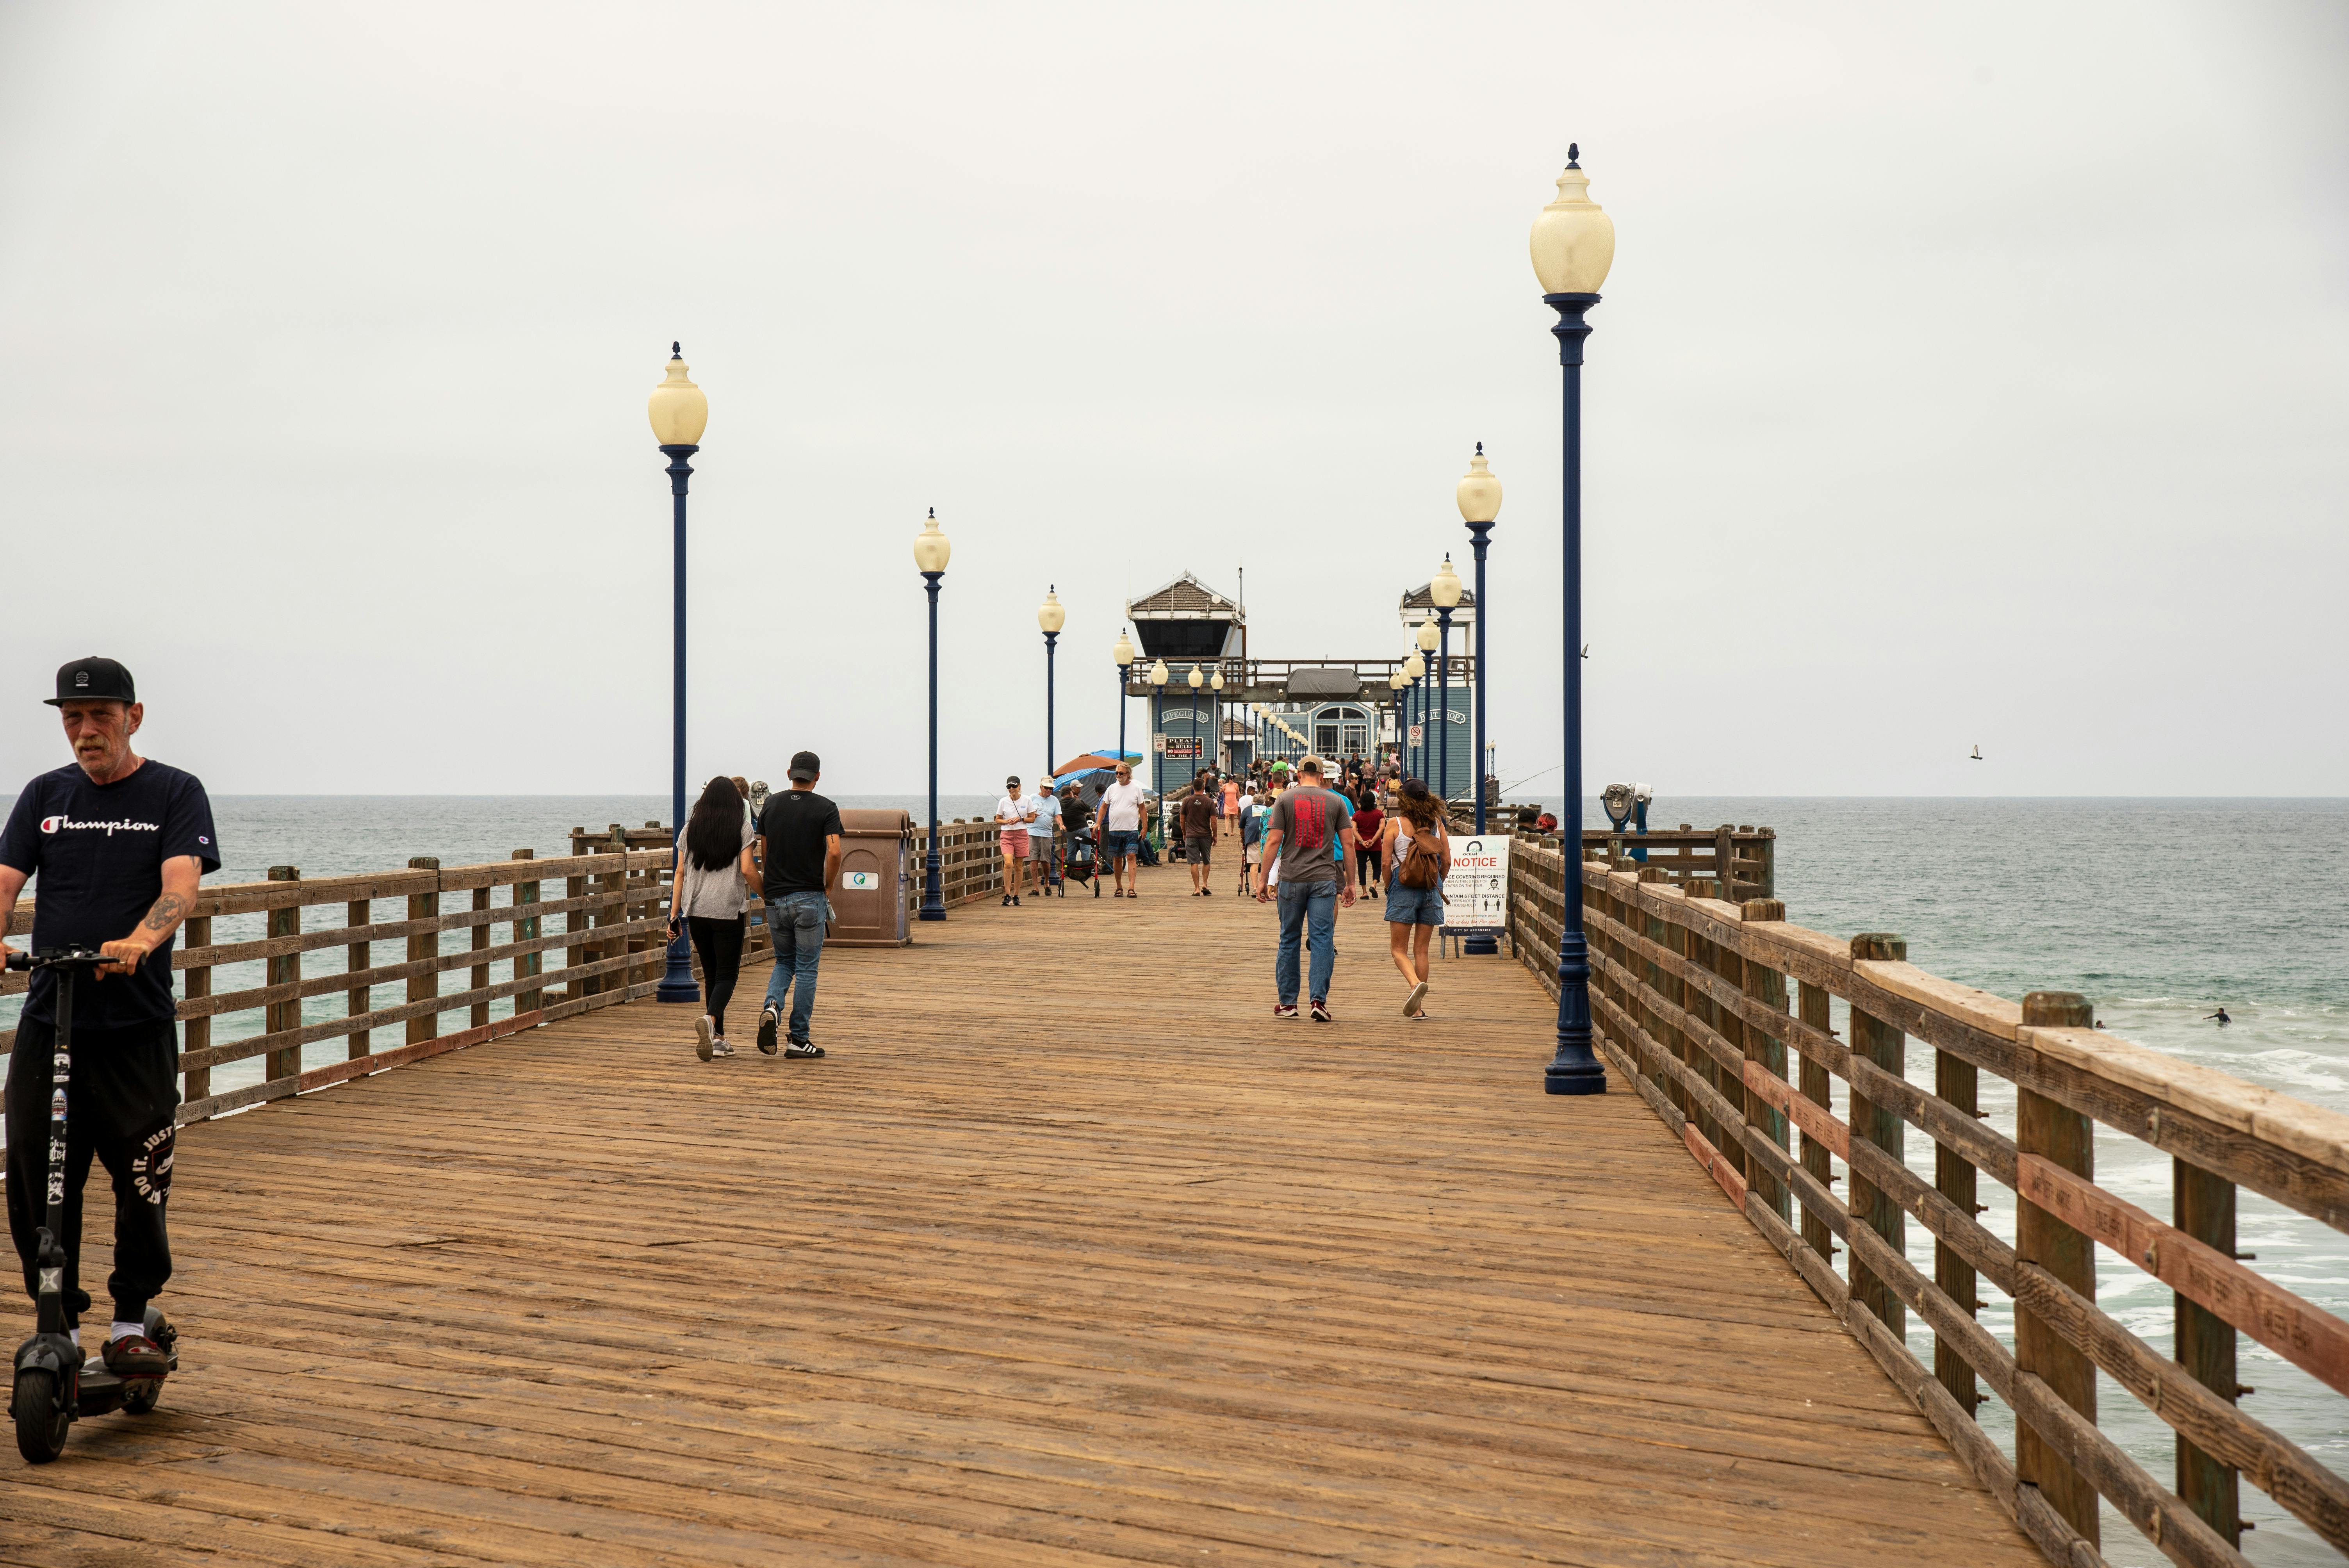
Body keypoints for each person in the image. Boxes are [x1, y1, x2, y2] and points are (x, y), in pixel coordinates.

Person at [0, 657, 216, 1379]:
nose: (86, 732)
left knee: (142, 1173)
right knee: (35, 1167)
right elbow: (4, 879)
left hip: (135, 1022)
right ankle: (55, 1311)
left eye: (100, 717)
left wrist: (141, 940)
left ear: (133, 716)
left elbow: (181, 884)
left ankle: (130, 1320)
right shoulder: (44, 795)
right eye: (72, 719)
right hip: (51, 1018)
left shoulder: (174, 791)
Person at [1253, 757, 1356, 1022]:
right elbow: (1348, 845)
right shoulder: (1336, 801)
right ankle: (1318, 1001)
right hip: (1324, 879)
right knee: (1323, 939)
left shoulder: (1284, 800)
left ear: (1299, 775)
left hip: (1291, 879)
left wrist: (1263, 879)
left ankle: (1288, 1003)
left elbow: (1274, 841)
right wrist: (1352, 883)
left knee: (1289, 938)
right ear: (1322, 777)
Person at [671, 776, 762, 1060]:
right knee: (727, 974)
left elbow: (680, 873)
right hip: (727, 910)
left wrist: (674, 915)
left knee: (711, 975)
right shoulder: (743, 828)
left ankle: (719, 1039)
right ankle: (711, 1021)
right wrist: (766, 893)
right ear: (736, 801)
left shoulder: (690, 830)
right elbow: (748, 870)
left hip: (696, 911)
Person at [755, 750, 838, 1058]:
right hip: (809, 897)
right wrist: (828, 883)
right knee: (806, 969)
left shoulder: (771, 805)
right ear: (817, 777)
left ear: (789, 772)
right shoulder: (826, 808)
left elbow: (765, 852)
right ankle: (798, 1038)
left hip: (776, 896)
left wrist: (772, 888)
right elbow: (835, 852)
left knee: (783, 961)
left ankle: (772, 1008)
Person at [1379, 777, 1450, 1018]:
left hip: (1404, 886)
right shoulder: (1436, 823)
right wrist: (1437, 881)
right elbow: (1448, 861)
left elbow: (1386, 862)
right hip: (1432, 888)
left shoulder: (1394, 824)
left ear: (1404, 800)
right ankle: (1418, 1008)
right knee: (1422, 951)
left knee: (1398, 950)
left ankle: (1413, 985)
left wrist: (1390, 887)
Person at [1098, 762, 1148, 898]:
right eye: (1117, 773)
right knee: (1117, 858)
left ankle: (1131, 888)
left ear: (1128, 774)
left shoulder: (1136, 789)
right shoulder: (1111, 789)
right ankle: (1119, 886)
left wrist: (1144, 827)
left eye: (1121, 773)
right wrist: (1098, 823)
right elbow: (1103, 807)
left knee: (1131, 856)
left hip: (1131, 828)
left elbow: (1142, 808)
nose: (1118, 776)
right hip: (1114, 828)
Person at [994, 775, 1034, 907]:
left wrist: (1021, 819)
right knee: (1008, 864)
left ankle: (1016, 895)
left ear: (1019, 787)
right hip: (1007, 834)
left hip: (1021, 834)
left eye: (1014, 786)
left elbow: (1032, 818)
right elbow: (998, 819)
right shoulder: (1003, 802)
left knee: (1019, 866)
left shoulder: (1027, 800)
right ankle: (1007, 895)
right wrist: (1006, 821)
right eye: (1009, 787)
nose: (1012, 789)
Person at [1026, 774, 1061, 899]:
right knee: (1034, 860)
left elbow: (1057, 816)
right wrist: (1032, 815)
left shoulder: (1055, 800)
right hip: (1032, 832)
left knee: (1046, 861)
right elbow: (1026, 814)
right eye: (1046, 788)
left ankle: (1046, 882)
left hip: (1046, 834)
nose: (1049, 791)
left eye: (1051, 789)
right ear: (1041, 787)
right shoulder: (1032, 798)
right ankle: (1035, 887)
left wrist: (1061, 825)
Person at [1180, 778, 1215, 895]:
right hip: (1205, 835)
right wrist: (1215, 836)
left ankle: (1197, 889)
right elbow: (1214, 821)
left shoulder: (1187, 801)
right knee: (1206, 860)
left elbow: (1182, 820)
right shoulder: (1209, 802)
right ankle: (1205, 884)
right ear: (1204, 787)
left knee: (1194, 862)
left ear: (1193, 788)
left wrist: (1184, 833)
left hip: (1191, 836)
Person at [1351, 788, 1385, 899]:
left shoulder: (1357, 815)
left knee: (1362, 867)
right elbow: (1381, 828)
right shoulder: (1379, 814)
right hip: (1375, 845)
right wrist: (1374, 840)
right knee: (1377, 866)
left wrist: (1362, 842)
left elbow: (1354, 830)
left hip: (1360, 846)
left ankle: (1364, 892)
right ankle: (1374, 884)